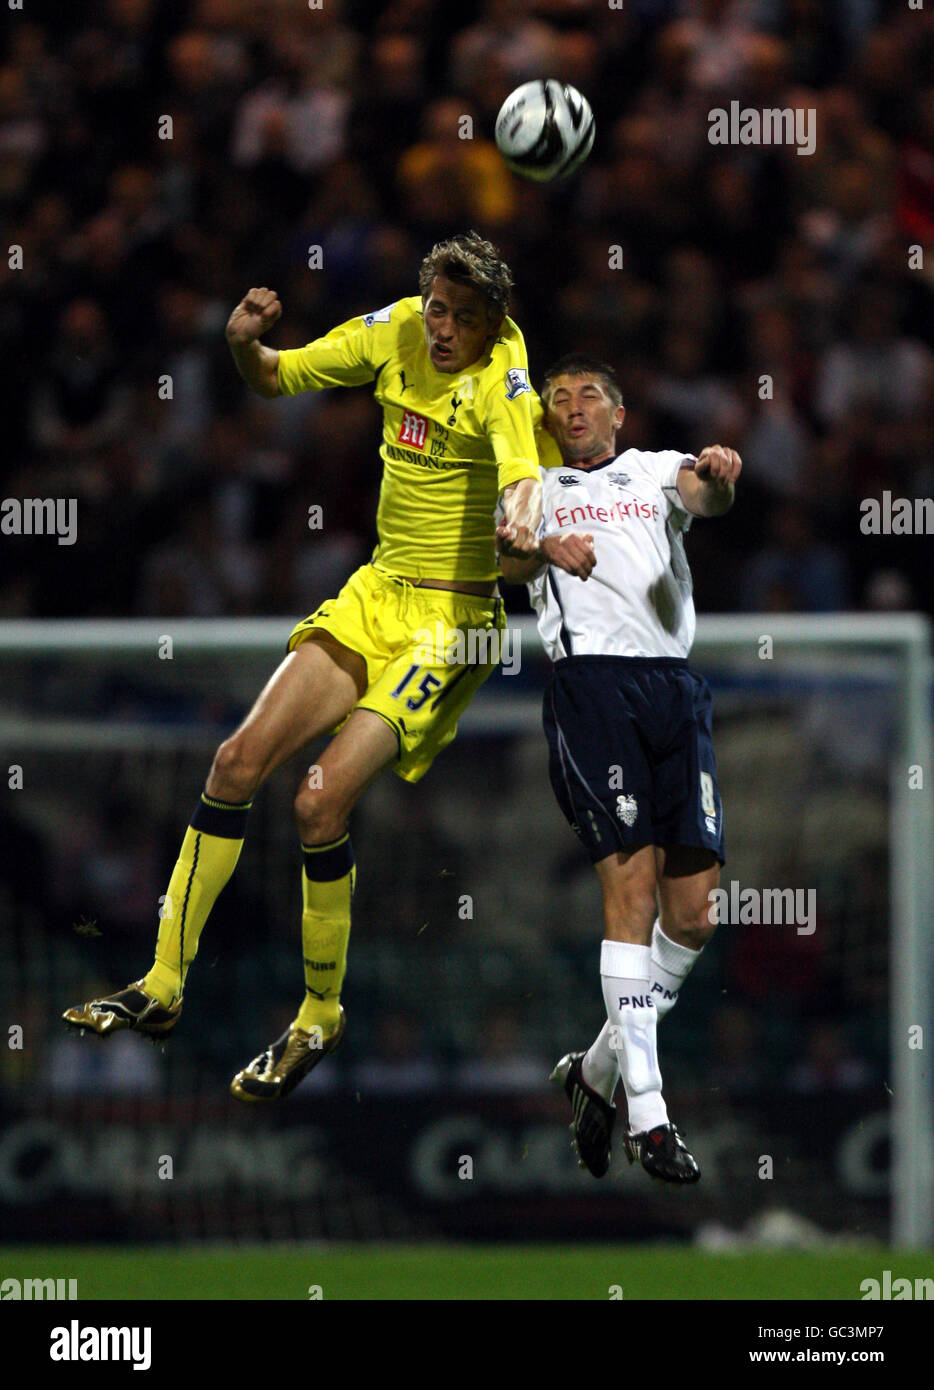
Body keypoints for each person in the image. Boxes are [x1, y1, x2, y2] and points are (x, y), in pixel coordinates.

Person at [64, 231, 565, 1103]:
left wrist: (524, 521)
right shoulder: (399, 329)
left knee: (318, 798)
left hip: (450, 621)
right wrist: (242, 345)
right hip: (375, 593)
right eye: (439, 310)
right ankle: (162, 985)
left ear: (496, 324)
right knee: (235, 762)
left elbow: (521, 473)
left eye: (466, 319)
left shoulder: (504, 381)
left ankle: (318, 1012)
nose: (445, 330)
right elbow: (279, 376)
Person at [496, 353, 741, 1183]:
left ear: (619, 412)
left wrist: (721, 474)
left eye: (589, 394)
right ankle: (650, 1114)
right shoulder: (532, 487)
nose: (572, 407)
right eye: (558, 397)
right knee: (630, 895)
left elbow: (706, 496)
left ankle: (593, 1073)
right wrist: (537, 547)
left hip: (675, 689)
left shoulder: (651, 469)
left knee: (696, 916)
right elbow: (510, 565)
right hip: (592, 688)